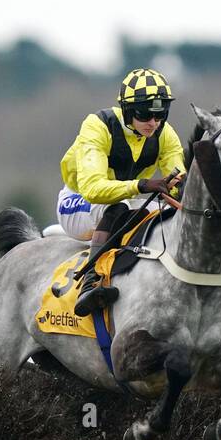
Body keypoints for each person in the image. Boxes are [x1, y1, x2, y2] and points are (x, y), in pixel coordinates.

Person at [57, 67, 187, 316]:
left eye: (160, 115)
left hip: (123, 200)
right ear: (127, 110)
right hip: (78, 201)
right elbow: (93, 188)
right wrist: (144, 185)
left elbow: (179, 181)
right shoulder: (98, 126)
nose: (153, 123)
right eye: (145, 114)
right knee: (118, 208)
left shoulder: (165, 134)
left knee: (165, 213)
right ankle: (90, 282)